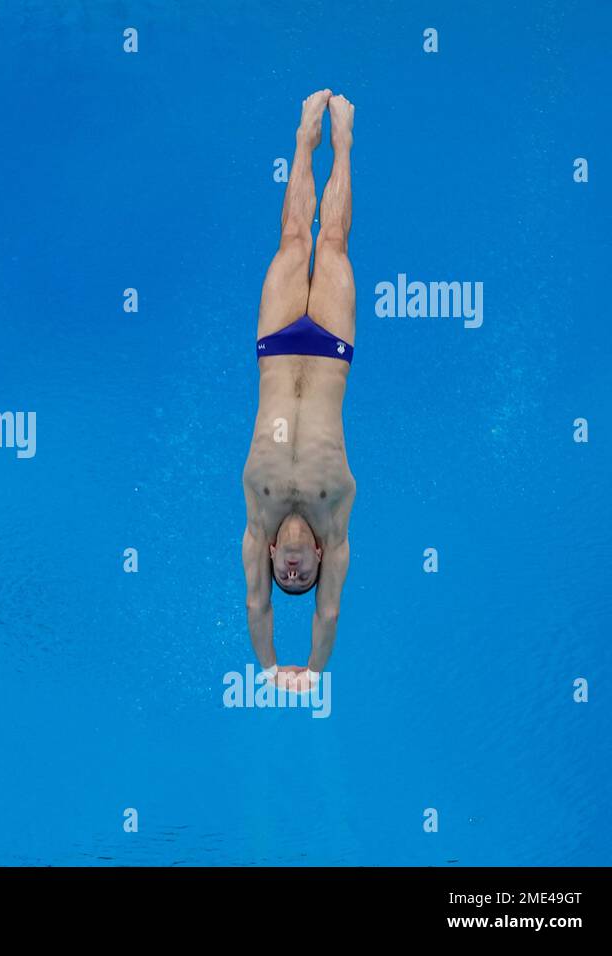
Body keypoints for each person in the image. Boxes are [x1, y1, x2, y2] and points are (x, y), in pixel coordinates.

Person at [241, 91, 356, 693]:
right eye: (300, 576)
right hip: (332, 348)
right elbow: (330, 611)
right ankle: (342, 145)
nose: (290, 571)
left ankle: (302, 141)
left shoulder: (258, 519)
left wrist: (267, 667)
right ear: (317, 561)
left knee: (292, 238)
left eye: (282, 574)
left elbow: (258, 609)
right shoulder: (333, 521)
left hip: (278, 349)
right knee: (331, 242)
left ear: (268, 562)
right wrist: (310, 671)